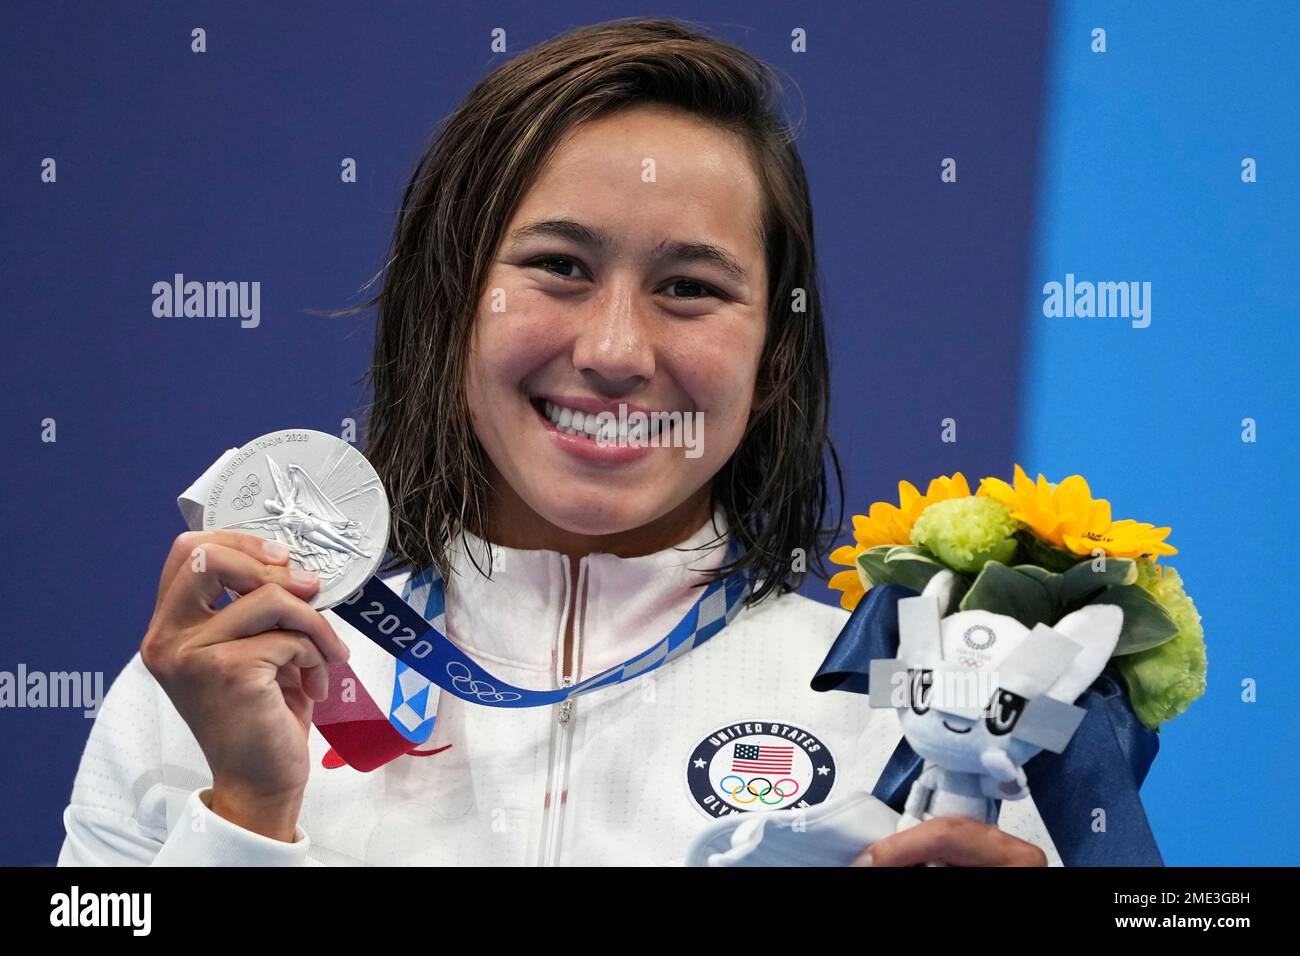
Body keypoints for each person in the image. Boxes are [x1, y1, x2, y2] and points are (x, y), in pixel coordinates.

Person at [56, 17, 1057, 867]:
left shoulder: (926, 727)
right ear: (446, 307)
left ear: (774, 353)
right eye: (559, 266)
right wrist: (245, 816)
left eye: (690, 287)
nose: (615, 350)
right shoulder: (212, 681)